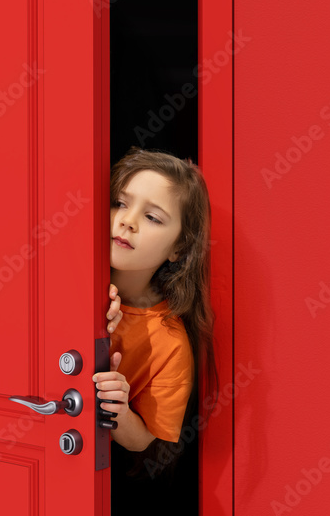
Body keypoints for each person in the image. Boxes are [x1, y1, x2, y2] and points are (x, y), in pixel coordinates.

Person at [93, 146, 220, 513]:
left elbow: (143, 440)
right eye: (119, 203)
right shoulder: (61, 275)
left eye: (152, 217)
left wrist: (118, 409)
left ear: (179, 248)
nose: (127, 221)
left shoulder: (169, 341)